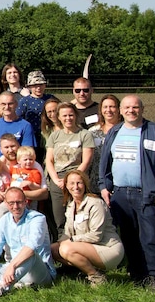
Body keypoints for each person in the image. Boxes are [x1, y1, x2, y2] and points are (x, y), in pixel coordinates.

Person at [98, 95, 155, 290]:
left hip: (147, 193)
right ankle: (136, 274)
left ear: (142, 109)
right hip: (120, 194)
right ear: (120, 110)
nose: (131, 111)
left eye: (135, 107)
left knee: (149, 236)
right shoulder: (114, 132)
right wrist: (104, 187)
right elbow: (105, 163)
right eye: (127, 107)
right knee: (129, 237)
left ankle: (153, 277)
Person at [51, 169, 125, 287]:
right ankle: (83, 270)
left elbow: (96, 236)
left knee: (66, 249)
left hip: (107, 247)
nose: (76, 187)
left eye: (79, 183)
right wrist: (55, 245)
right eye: (72, 183)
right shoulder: (71, 205)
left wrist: (71, 241)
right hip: (87, 246)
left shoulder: (96, 203)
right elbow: (67, 233)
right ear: (66, 186)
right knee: (53, 249)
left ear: (85, 184)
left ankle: (96, 276)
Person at [45, 102, 97, 230]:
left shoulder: (85, 134)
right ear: (59, 117)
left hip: (77, 179)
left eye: (71, 115)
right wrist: (56, 180)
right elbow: (49, 160)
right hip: (58, 181)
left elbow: (86, 160)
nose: (68, 118)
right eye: (64, 116)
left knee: (78, 216)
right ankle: (61, 246)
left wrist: (71, 179)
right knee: (59, 218)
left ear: (76, 115)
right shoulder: (55, 136)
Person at [0, 91, 37, 159]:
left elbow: (27, 152)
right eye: (3, 104)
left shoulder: (25, 126)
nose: (7, 107)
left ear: (16, 104)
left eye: (10, 104)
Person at [17, 71, 50, 148]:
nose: (38, 88)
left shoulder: (50, 98)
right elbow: (18, 119)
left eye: (41, 85)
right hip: (31, 136)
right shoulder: (24, 101)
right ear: (29, 87)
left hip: (48, 135)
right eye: (35, 85)